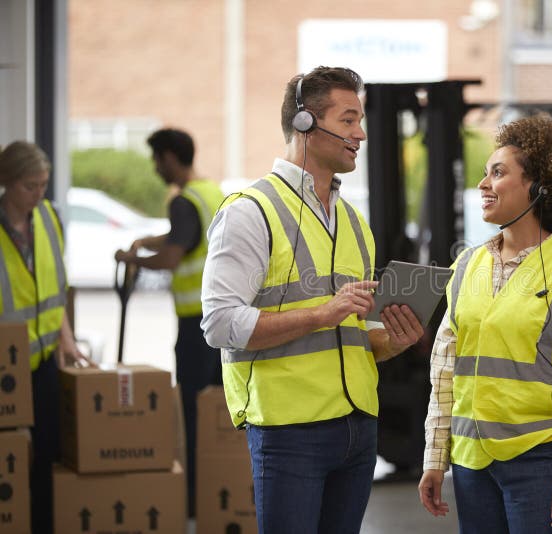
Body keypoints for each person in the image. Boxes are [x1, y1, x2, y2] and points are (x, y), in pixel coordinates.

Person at [201, 66, 424, 533]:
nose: (360, 133)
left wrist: (394, 342)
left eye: (360, 120)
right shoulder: (250, 212)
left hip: (358, 428)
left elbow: (353, 338)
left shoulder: (354, 223)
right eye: (347, 120)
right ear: (304, 122)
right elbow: (220, 324)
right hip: (288, 430)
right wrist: (324, 313)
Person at [418, 115, 552, 533]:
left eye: (498, 172)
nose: (483, 184)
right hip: (472, 462)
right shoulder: (467, 266)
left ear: (539, 187)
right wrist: (435, 457)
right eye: (484, 173)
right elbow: (445, 373)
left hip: (541, 463)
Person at [114, 128, 224, 517]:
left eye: (157, 159)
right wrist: (149, 241)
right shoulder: (211, 192)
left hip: (196, 324)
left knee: (194, 410)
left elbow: (174, 257)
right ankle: (224, 486)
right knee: (220, 409)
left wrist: (134, 260)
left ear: (171, 158)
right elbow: (186, 238)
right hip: (223, 320)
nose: (155, 167)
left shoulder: (182, 201)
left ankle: (195, 497)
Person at [0, 140, 93, 534]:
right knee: (10, 456)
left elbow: (58, 288)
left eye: (43, 185)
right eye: (30, 186)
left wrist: (67, 338)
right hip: (6, 366)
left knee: (47, 455)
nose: (39, 194)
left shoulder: (49, 218)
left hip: (44, 362)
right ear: (7, 182)